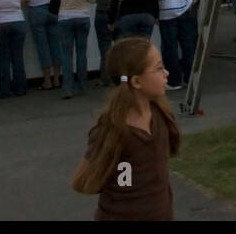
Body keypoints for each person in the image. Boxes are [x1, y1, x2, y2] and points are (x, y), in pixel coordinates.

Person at [71, 36, 179, 220]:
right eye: (159, 68)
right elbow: (83, 181)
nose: (166, 73)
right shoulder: (114, 130)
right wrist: (122, 181)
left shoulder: (160, 113)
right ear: (136, 82)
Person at [54, 0, 95, 99]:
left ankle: (67, 88)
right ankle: (83, 86)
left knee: (66, 54)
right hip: (82, 17)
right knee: (81, 53)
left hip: (64, 18)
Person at [20, 0, 61, 90]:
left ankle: (47, 81)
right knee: (55, 45)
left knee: (42, 47)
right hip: (53, 11)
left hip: (36, 12)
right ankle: (57, 79)